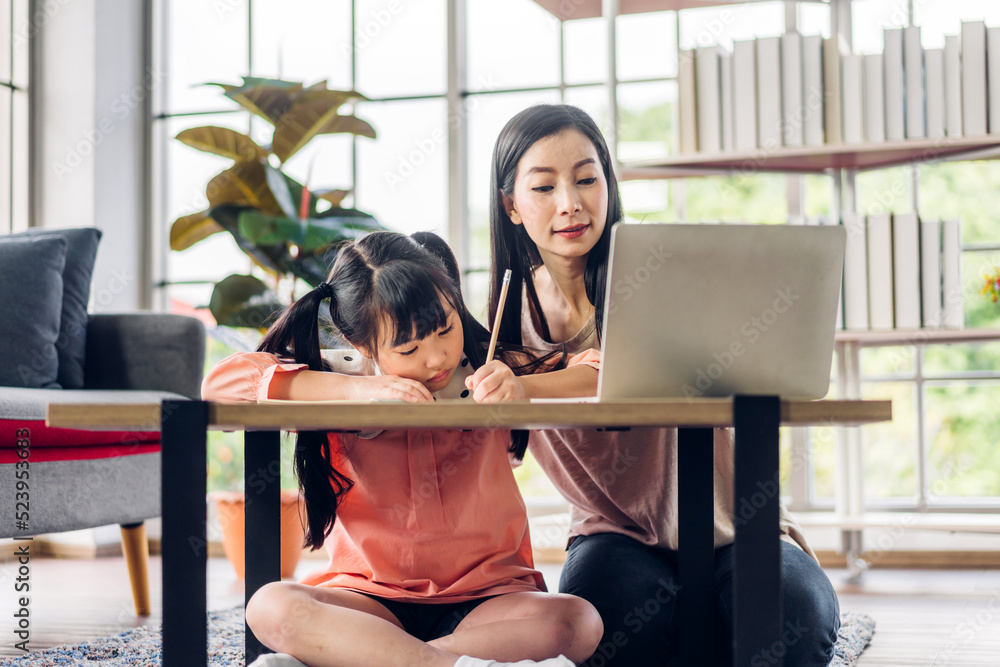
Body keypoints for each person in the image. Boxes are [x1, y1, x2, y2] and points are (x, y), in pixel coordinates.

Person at [466, 103, 841, 667]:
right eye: (543, 187)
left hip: (733, 525)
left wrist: (528, 390)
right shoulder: (502, 326)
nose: (570, 203)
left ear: (608, 187)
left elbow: (604, 369)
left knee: (794, 621)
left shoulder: (660, 272)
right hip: (611, 532)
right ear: (510, 206)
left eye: (587, 179)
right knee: (609, 628)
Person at [201, 231, 603, 667]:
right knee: (269, 607)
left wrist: (521, 386)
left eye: (445, 329)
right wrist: (355, 393)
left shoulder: (490, 366)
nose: (436, 359)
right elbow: (219, 385)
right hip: (367, 600)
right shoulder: (342, 380)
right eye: (409, 348)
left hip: (490, 600)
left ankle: (371, 660)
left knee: (577, 622)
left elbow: (602, 371)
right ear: (362, 346)